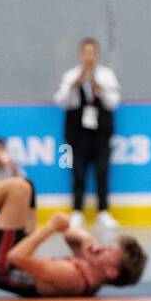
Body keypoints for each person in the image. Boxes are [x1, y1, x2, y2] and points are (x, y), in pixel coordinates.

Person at [0, 177, 146, 297]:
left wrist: (50, 228)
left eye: (111, 251)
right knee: (28, 187)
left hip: (0, 267)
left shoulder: (72, 276)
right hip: (13, 260)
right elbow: (69, 235)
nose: (105, 247)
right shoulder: (92, 271)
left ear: (111, 271)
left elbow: (16, 257)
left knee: (18, 190)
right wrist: (87, 239)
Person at [54, 38, 121, 230]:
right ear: (81, 54)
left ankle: (103, 212)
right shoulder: (71, 76)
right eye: (85, 53)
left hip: (101, 132)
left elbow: (114, 103)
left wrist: (100, 89)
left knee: (102, 171)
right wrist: (73, 87)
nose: (89, 57)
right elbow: (60, 101)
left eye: (92, 53)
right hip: (78, 133)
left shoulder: (107, 76)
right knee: (78, 172)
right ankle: (77, 211)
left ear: (96, 55)